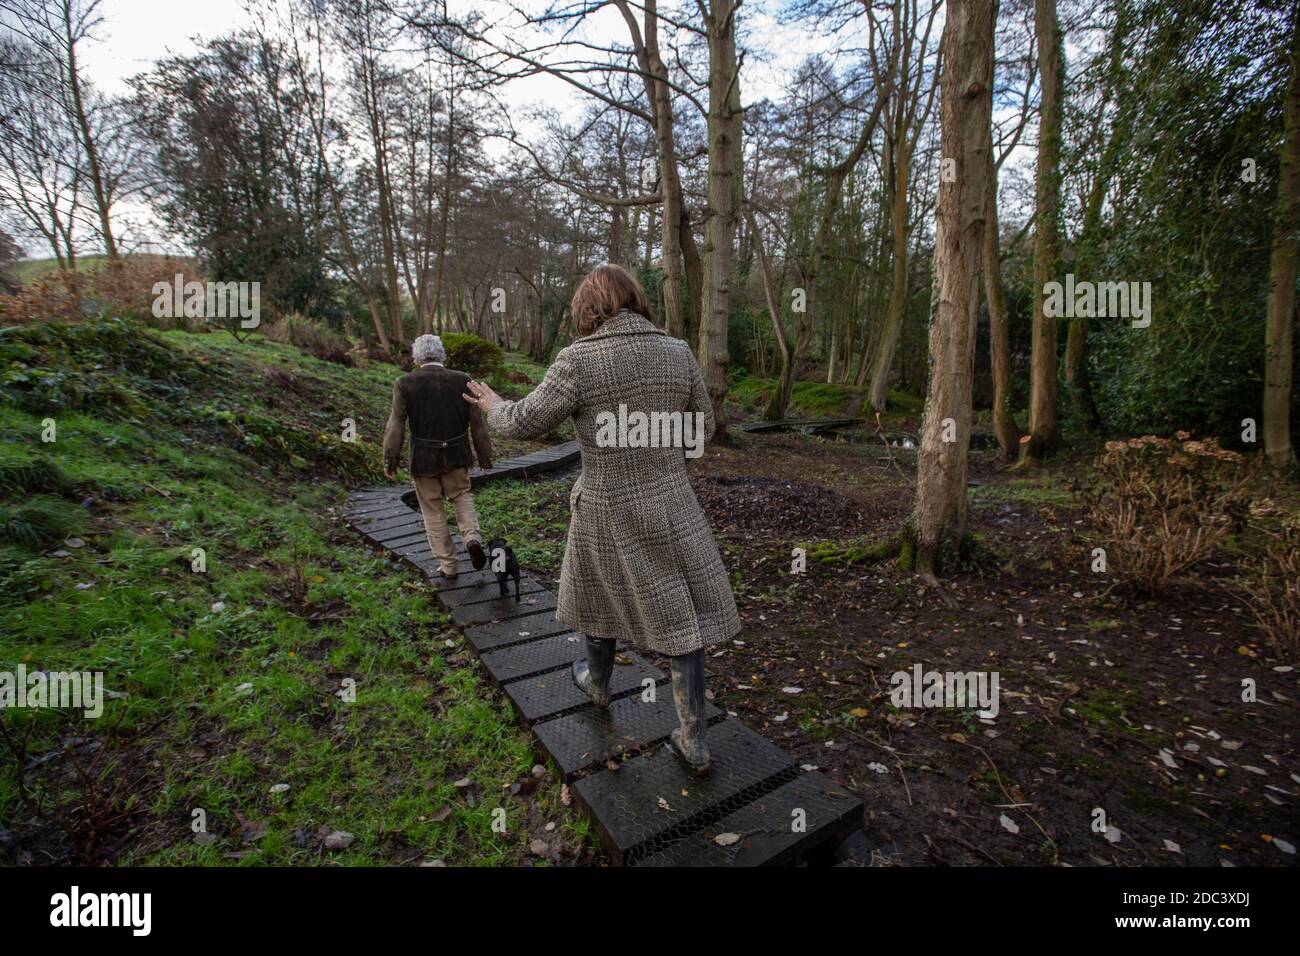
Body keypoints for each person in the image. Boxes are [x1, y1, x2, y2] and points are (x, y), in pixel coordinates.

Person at [463, 264, 740, 775]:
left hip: (606, 503)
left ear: (588, 309)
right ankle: (694, 741)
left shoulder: (579, 359)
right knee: (681, 618)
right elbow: (704, 428)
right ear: (635, 300)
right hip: (671, 498)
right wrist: (662, 453)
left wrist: (492, 404)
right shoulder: (677, 353)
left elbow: (525, 423)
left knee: (596, 595)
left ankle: (596, 683)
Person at [383, 334, 493, 577]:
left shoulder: (405, 383)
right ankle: (472, 538)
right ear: (442, 354)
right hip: (457, 454)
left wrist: (390, 458)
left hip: (423, 459)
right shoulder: (463, 380)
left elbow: (396, 425)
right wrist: (485, 456)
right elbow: (477, 424)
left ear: (416, 356)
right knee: (462, 496)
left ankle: (449, 566)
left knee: (432, 510)